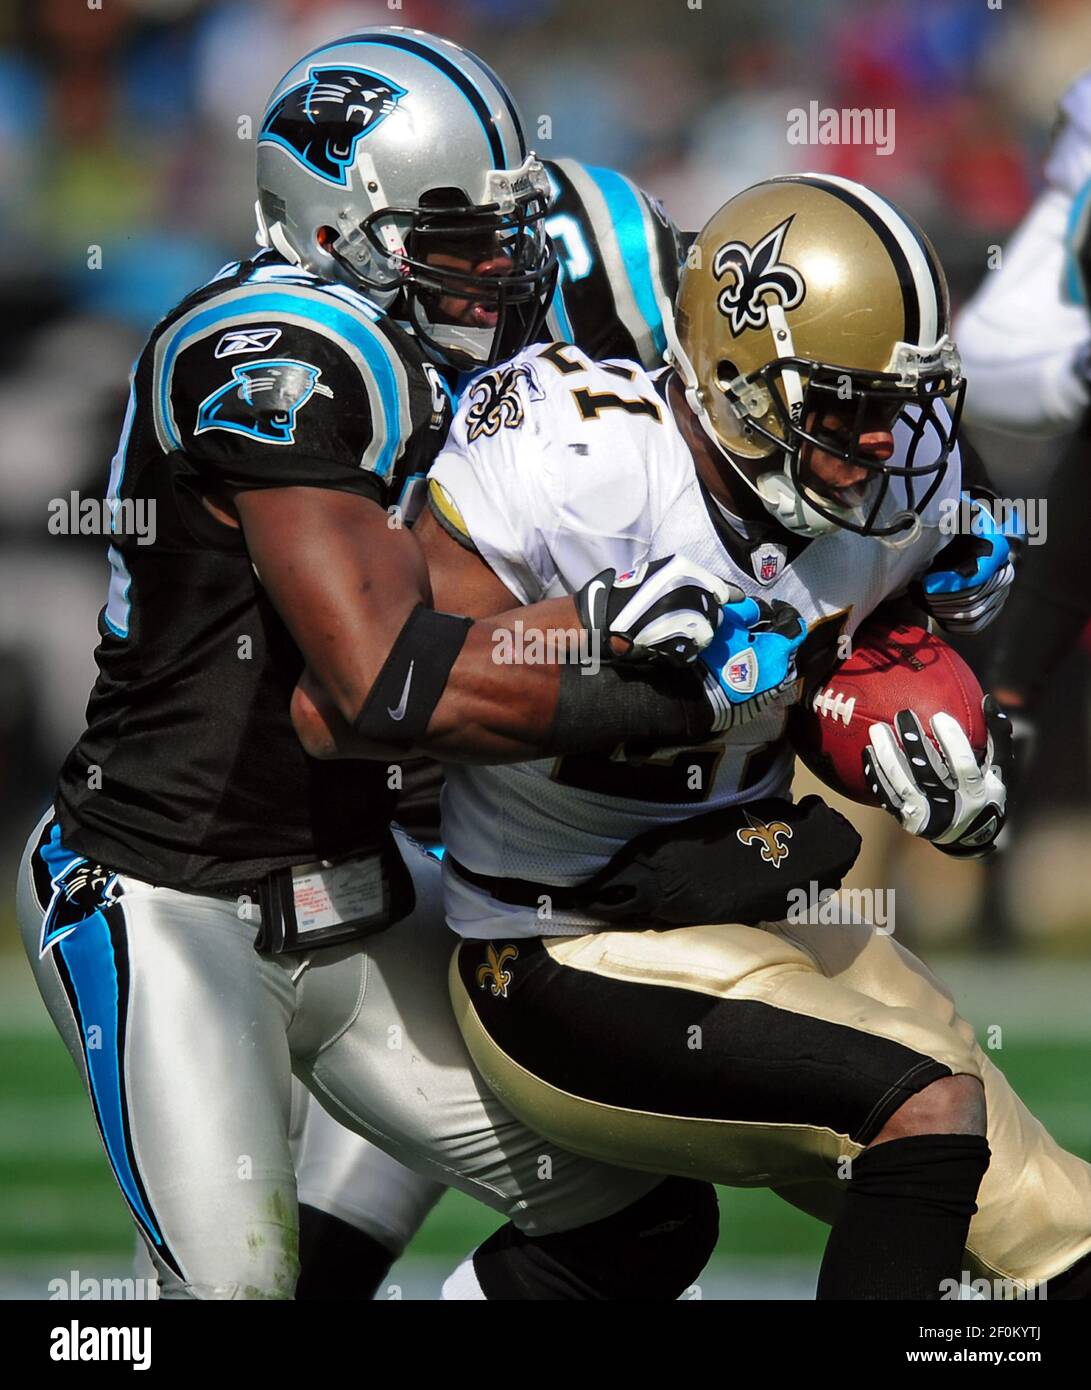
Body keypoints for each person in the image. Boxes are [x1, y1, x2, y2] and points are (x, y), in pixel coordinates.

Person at [19, 26, 798, 1300]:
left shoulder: (435, 363)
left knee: (639, 1216)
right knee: (233, 1297)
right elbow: (377, 683)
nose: (496, 269)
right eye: (453, 236)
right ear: (330, 225)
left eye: (502, 230)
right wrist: (651, 679)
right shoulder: (268, 353)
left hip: (356, 892)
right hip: (170, 890)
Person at [301, 174, 1091, 1299]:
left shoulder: (890, 492)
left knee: (1057, 1241)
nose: (880, 444)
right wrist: (586, 643)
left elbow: (833, 660)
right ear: (734, 376)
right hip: (559, 945)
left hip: (752, 905)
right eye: (841, 406)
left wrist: (911, 726)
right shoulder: (585, 459)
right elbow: (393, 678)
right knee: (922, 1102)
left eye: (896, 406)